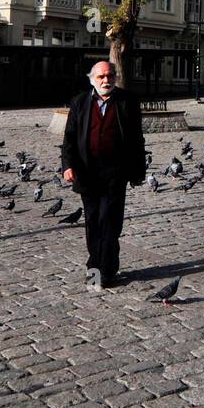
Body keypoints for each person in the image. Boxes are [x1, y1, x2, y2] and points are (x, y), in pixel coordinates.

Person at [60, 61, 147, 289]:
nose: (106, 81)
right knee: (93, 222)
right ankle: (95, 268)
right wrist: (68, 165)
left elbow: (137, 139)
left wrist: (138, 171)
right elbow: (69, 138)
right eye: (101, 77)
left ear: (115, 77)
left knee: (110, 222)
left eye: (110, 76)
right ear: (92, 79)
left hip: (115, 173)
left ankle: (107, 271)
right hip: (87, 172)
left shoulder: (127, 101)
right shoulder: (80, 102)